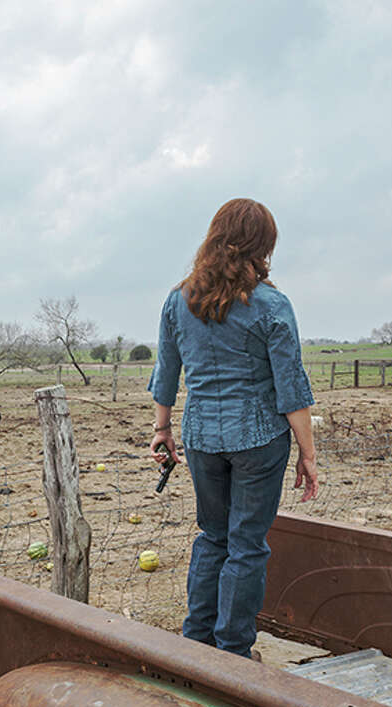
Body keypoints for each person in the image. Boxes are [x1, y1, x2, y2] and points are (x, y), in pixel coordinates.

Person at [148, 197, 318, 660]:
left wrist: (162, 429)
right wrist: (308, 454)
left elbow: (167, 373)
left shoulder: (177, 301)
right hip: (259, 441)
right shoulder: (271, 304)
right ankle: (234, 653)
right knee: (246, 545)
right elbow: (291, 389)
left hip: (202, 438)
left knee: (213, 536)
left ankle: (197, 644)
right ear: (262, 246)